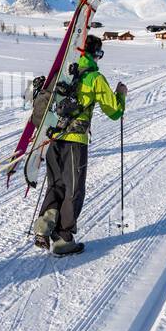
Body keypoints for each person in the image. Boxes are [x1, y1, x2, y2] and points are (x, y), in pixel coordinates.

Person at [33, 34, 126, 255]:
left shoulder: (62, 73)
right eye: (99, 54)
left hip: (53, 139)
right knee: (73, 190)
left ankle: (44, 226)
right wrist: (121, 95)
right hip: (75, 141)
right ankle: (64, 239)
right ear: (94, 54)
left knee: (56, 185)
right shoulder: (95, 78)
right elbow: (114, 112)